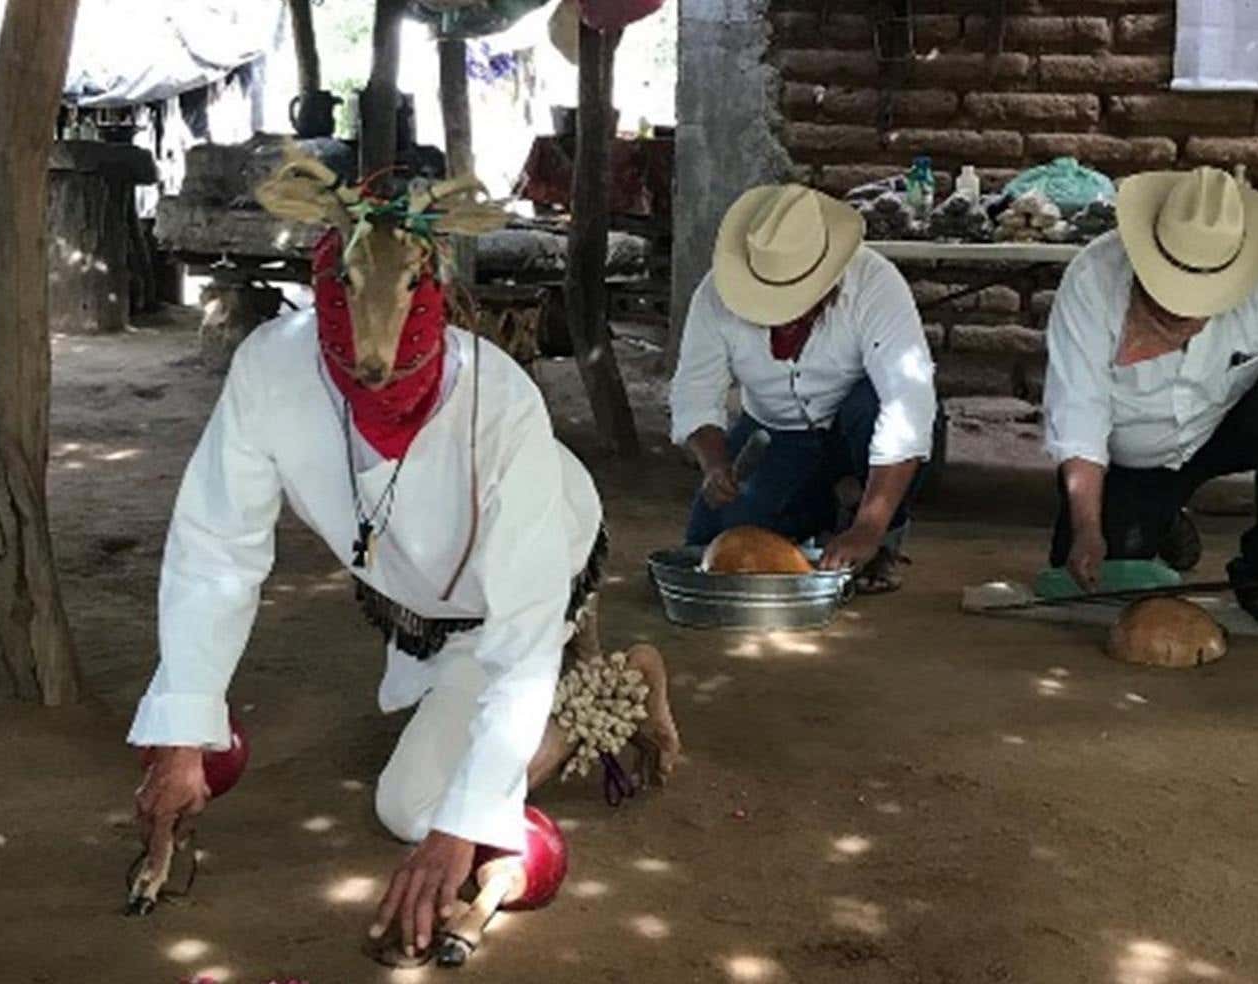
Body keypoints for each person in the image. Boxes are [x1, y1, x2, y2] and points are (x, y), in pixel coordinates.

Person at [126, 153, 672, 967]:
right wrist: (182, 724)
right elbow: (217, 549)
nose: (377, 374)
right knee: (434, 795)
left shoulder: (501, 402)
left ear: (437, 312)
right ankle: (531, 703)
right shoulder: (272, 371)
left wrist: (464, 826)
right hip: (419, 600)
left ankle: (615, 684)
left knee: (420, 807)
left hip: (535, 571)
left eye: (403, 360)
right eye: (351, 366)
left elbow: (521, 627)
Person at [1043, 165, 1258, 637]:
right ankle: (1163, 517)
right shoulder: (1093, 279)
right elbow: (1078, 412)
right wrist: (1087, 525)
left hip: (1221, 427)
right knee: (1091, 574)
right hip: (1129, 453)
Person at [670, 183, 939, 592]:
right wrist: (715, 464)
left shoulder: (876, 284)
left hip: (855, 431)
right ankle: (824, 515)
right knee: (711, 543)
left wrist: (870, 525)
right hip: (776, 434)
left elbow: (909, 404)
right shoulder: (714, 294)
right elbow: (695, 390)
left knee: (870, 405)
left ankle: (878, 533)